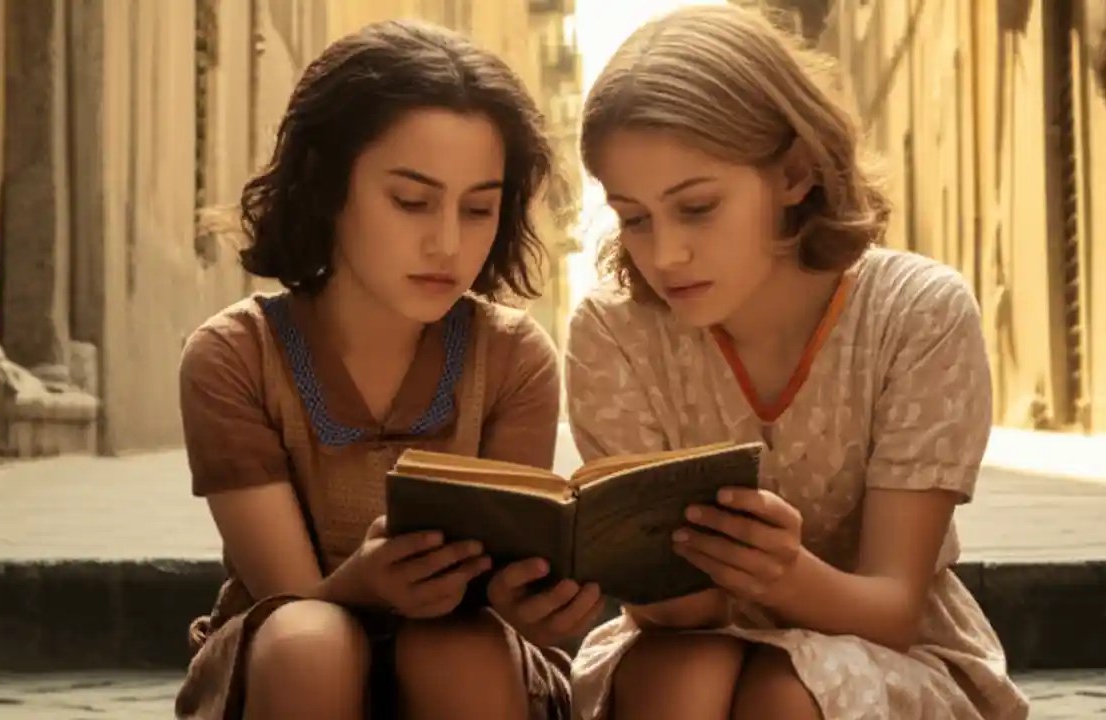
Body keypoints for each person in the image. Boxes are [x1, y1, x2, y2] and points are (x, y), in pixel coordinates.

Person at [563, 5, 1030, 719]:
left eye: (697, 208)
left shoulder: (917, 314)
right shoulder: (612, 332)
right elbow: (679, 617)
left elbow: (894, 609)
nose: (663, 255)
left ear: (795, 174)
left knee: (782, 694)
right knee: (682, 679)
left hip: (886, 652)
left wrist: (787, 575)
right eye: (633, 217)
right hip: (690, 648)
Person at [173, 19, 601, 720]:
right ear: (327, 184)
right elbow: (290, 596)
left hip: (466, 663)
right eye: (410, 201)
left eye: (480, 208)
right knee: (314, 641)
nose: (447, 242)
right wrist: (367, 586)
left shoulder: (514, 359)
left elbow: (504, 597)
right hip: (293, 659)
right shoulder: (235, 357)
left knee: (455, 647)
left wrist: (541, 605)